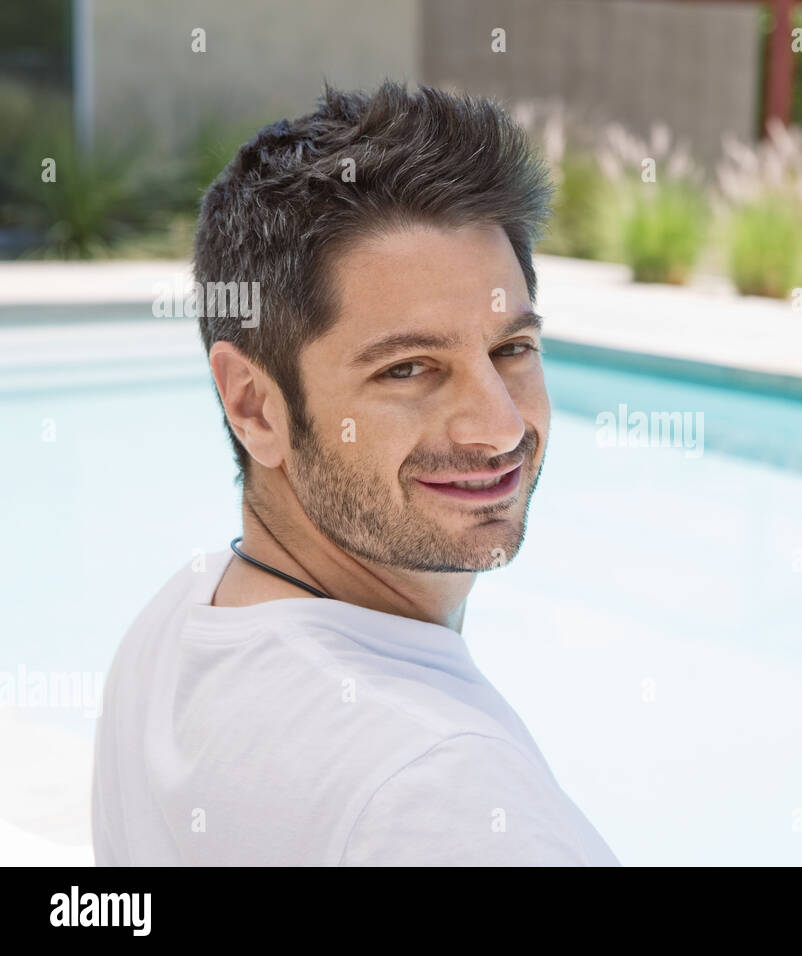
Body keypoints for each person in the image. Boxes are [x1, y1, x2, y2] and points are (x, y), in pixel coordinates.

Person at [91, 81, 619, 866]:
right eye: (409, 368)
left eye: (511, 350)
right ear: (254, 406)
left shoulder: (181, 619)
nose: (500, 426)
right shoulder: (445, 791)